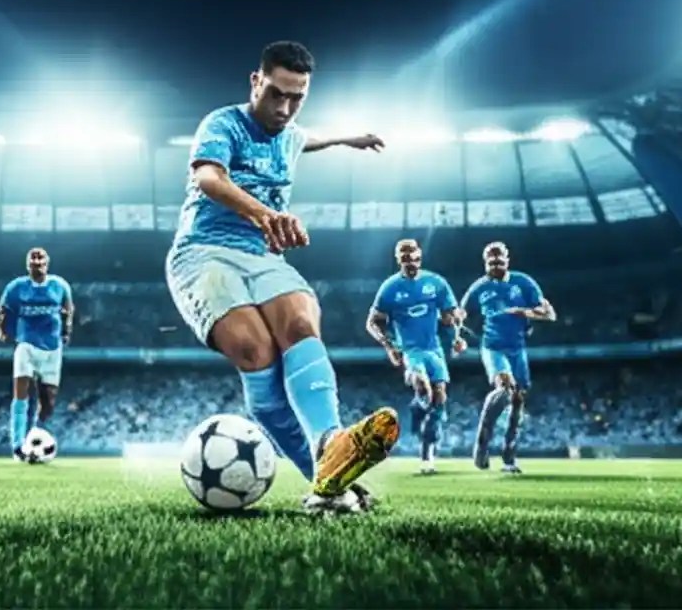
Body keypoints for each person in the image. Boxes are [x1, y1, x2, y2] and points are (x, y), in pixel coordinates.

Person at [165, 40, 395, 513]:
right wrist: (265, 214)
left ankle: (331, 443)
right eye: (276, 94)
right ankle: (327, 473)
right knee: (255, 350)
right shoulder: (223, 123)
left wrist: (346, 138)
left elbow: (306, 137)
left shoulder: (290, 132)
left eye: (297, 98)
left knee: (300, 321)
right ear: (256, 81)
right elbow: (208, 178)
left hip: (261, 257)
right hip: (204, 253)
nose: (285, 108)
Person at [365, 239, 465, 474]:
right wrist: (389, 346)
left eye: (413, 255)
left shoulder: (436, 283)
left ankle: (427, 454)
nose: (410, 259)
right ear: (398, 259)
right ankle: (418, 406)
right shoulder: (390, 288)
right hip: (411, 351)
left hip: (434, 349)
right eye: (404, 256)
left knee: (439, 397)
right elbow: (372, 322)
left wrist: (456, 335)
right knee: (422, 385)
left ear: (420, 256)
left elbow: (451, 313)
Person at [460, 241, 555, 473]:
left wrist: (525, 312)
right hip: (493, 347)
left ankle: (509, 456)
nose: (495, 263)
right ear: (485, 263)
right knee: (504, 387)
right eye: (490, 261)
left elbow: (550, 314)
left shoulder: (524, 283)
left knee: (517, 401)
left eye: (499, 259)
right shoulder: (478, 288)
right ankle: (482, 446)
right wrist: (469, 334)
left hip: (518, 348)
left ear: (507, 259)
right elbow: (462, 315)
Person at [0, 247, 74, 461]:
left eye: (41, 258)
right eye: (33, 258)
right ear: (27, 264)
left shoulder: (60, 286)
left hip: (52, 348)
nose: (37, 262)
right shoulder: (16, 287)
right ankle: (18, 446)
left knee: (48, 403)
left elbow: (68, 310)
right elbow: (2, 310)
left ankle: (35, 436)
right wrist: (0, 328)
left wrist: (67, 331)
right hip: (26, 345)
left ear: (47, 263)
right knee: (21, 394)